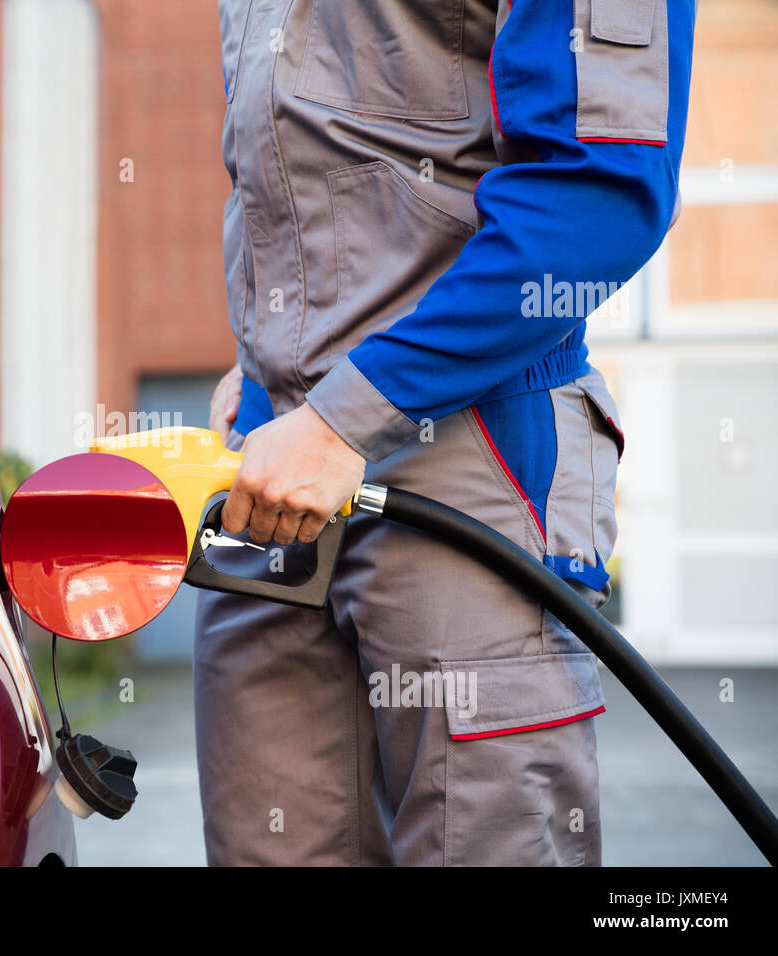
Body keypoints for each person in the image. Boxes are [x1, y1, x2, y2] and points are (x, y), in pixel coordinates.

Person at [196, 0, 694, 865]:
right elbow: (308, 158)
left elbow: (601, 192)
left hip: (471, 453)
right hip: (272, 473)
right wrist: (269, 360)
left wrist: (348, 411)